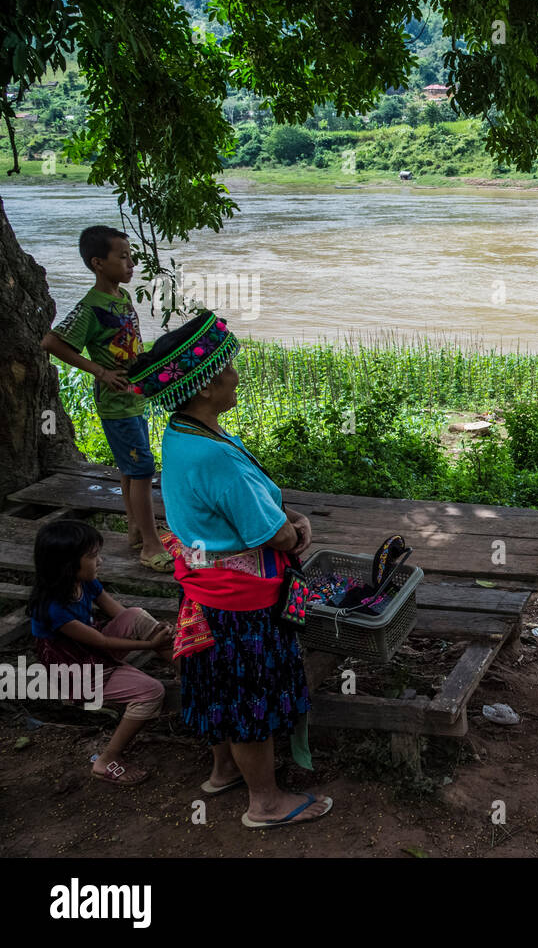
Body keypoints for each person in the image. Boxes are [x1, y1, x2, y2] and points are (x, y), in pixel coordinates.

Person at [127, 312, 331, 828]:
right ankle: (265, 803)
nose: (236, 376)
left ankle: (223, 772)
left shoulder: (181, 434)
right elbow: (271, 534)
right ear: (204, 388)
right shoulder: (214, 456)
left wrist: (281, 518)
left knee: (220, 686)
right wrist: (294, 529)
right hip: (241, 601)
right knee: (248, 698)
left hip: (206, 589)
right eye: (228, 371)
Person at [40, 226, 170, 573]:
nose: (130, 264)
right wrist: (100, 372)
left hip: (134, 398)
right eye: (123, 257)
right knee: (143, 469)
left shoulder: (122, 298)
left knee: (131, 470)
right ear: (98, 263)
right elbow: (52, 343)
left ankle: (135, 530)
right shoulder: (90, 308)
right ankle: (151, 545)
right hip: (116, 405)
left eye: (131, 257)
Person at [26, 520, 173, 785]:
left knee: (136, 615)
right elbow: (101, 642)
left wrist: (153, 629)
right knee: (151, 692)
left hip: (91, 650)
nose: (100, 562)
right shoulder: (52, 608)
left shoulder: (84, 582)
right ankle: (107, 760)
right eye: (93, 557)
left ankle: (191, 674)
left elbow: (118, 612)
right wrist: (150, 645)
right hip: (76, 669)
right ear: (67, 564)